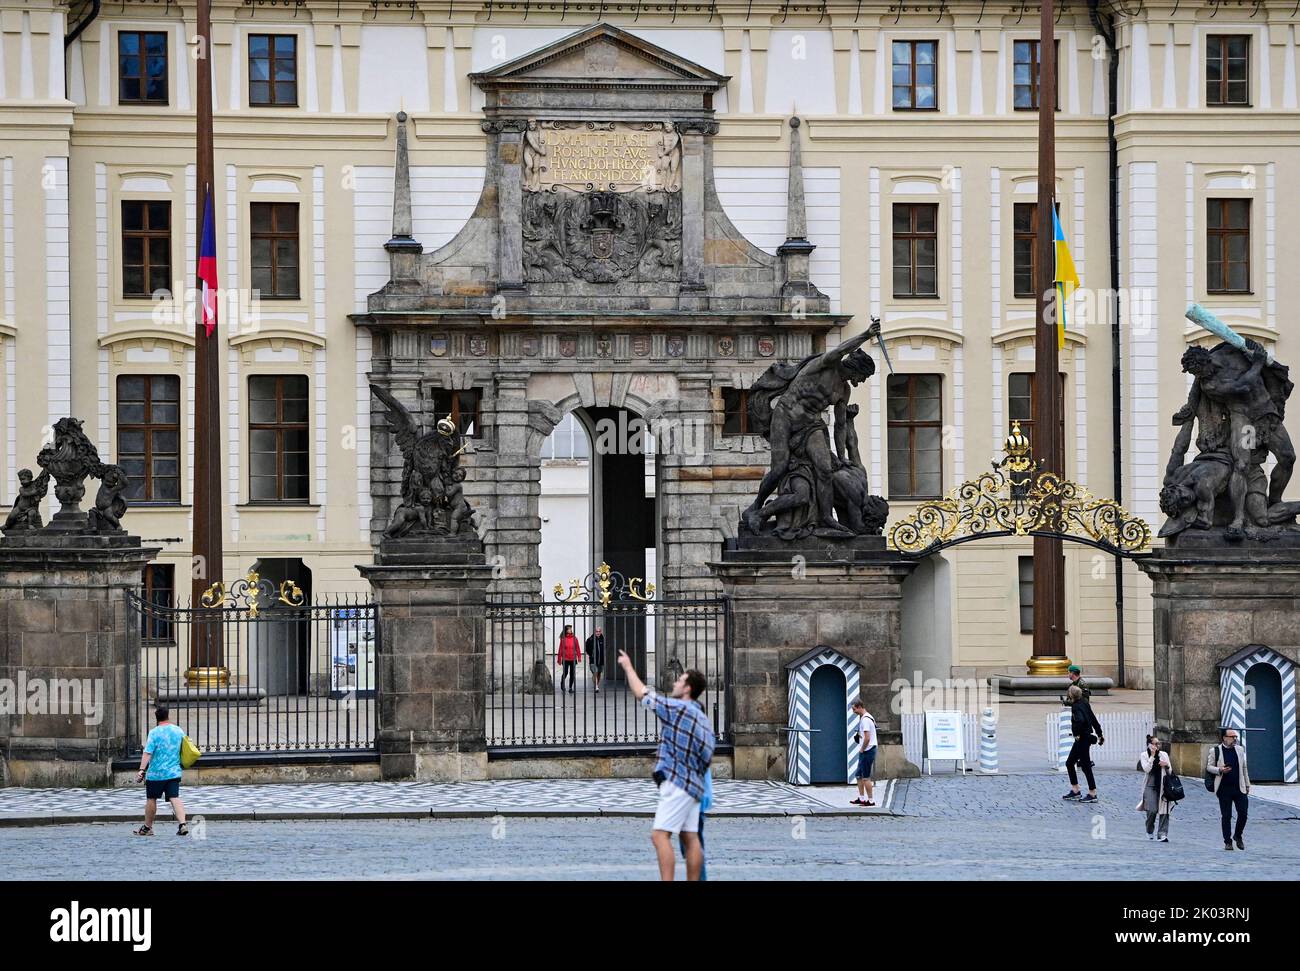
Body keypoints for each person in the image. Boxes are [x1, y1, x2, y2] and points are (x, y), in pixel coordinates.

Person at [616, 649, 715, 882]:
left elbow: (644, 694)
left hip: (677, 783)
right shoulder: (702, 718)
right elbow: (707, 753)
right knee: (691, 838)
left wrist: (628, 667)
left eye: (680, 680)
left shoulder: (677, 708)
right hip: (696, 786)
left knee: (660, 836)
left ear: (688, 688)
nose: (675, 683)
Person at [134, 706, 189, 837]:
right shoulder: (178, 730)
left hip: (156, 774)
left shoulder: (154, 733)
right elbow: (185, 748)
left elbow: (147, 753)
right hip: (174, 772)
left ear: (156, 718)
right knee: (174, 797)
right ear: (168, 716)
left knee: (151, 799)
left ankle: (147, 827)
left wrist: (142, 769)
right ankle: (183, 824)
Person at [1208, 727, 1252, 851]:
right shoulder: (1215, 751)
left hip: (1239, 787)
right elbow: (1209, 767)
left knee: (1243, 813)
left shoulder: (1239, 749)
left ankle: (1238, 835)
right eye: (1232, 737)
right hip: (1224, 788)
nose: (1234, 739)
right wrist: (1220, 769)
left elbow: (1244, 768)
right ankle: (1227, 841)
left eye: (1235, 737)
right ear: (1224, 738)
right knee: (1226, 816)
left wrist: (1247, 784)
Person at [1062, 684, 1104, 803]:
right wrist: (1100, 734)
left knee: (1085, 766)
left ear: (1071, 695)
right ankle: (1075, 790)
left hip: (1082, 739)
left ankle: (1092, 793)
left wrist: (1076, 733)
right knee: (1070, 763)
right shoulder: (1085, 703)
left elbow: (1079, 721)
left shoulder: (1076, 707)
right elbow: (1093, 719)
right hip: (1084, 737)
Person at [1136, 734, 1173, 842]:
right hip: (1150, 786)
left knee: (1164, 811)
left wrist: (1166, 765)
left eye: (1158, 743)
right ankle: (1149, 830)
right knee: (1152, 810)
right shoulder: (1144, 755)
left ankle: (1162, 834)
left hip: (1163, 785)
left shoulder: (1164, 754)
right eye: (1155, 744)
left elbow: (1170, 771)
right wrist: (1152, 756)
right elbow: (1146, 769)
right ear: (1149, 745)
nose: (1157, 746)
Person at [850, 699, 878, 807]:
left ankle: (870, 800)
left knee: (866, 777)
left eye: (854, 709)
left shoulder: (865, 720)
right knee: (858, 775)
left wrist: (862, 749)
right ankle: (861, 798)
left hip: (867, 750)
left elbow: (867, 738)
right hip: (867, 750)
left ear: (859, 707)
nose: (853, 712)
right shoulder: (867, 717)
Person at [555, 624, 581, 694]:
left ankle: (570, 688)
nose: (570, 630)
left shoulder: (575, 638)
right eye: (569, 629)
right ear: (566, 630)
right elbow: (560, 649)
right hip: (566, 659)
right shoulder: (563, 639)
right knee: (565, 673)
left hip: (573, 659)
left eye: (571, 629)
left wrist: (579, 657)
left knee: (572, 674)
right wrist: (559, 659)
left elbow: (577, 648)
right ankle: (562, 684)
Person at [585, 626, 606, 693]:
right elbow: (587, 648)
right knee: (595, 672)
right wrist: (591, 655)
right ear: (594, 632)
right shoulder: (590, 639)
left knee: (599, 673)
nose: (598, 633)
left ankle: (596, 684)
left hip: (601, 660)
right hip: (593, 660)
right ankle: (596, 686)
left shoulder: (603, 639)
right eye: (597, 631)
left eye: (599, 631)